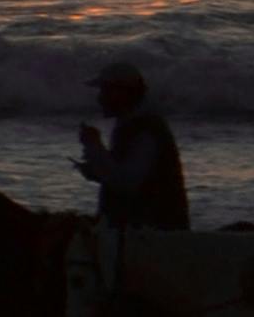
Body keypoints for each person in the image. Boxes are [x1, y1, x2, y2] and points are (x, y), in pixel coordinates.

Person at [73, 59, 190, 230]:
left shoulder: (147, 129)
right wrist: (95, 169)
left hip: (155, 235)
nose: (100, 98)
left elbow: (127, 184)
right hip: (139, 233)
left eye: (105, 91)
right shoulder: (129, 125)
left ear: (122, 93)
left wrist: (95, 147)